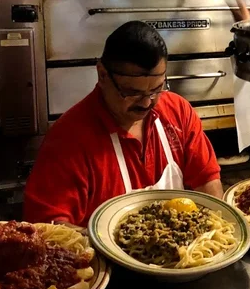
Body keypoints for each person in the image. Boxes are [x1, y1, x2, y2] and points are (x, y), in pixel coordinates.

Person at [24, 21, 223, 225]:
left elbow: (206, 180)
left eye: (156, 89)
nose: (147, 103)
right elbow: (49, 227)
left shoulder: (178, 111)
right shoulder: (68, 140)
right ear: (102, 75)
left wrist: (217, 234)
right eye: (132, 92)